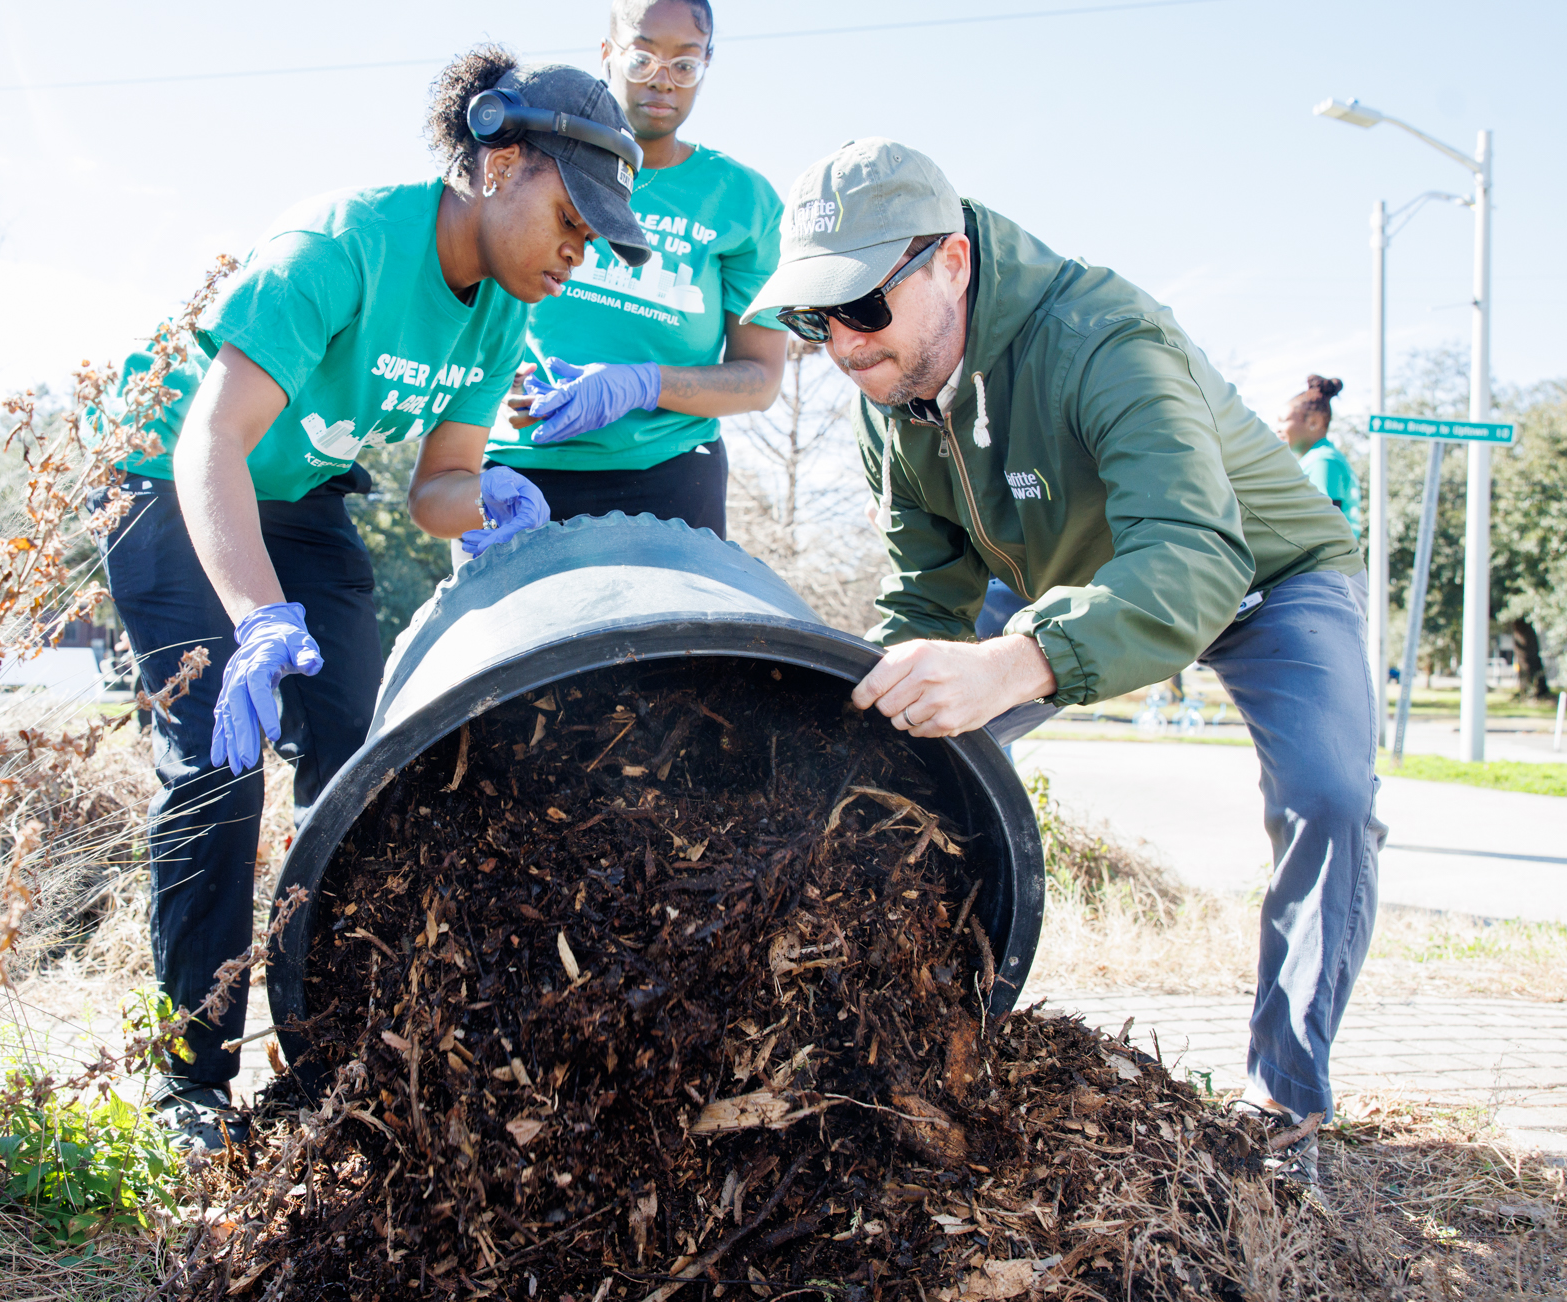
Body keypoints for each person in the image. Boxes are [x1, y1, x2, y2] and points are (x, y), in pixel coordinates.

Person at [742, 140, 1376, 1182]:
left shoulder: (1103, 337)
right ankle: (872, 1027)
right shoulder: (887, 389)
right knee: (888, 752)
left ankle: (1285, 1098)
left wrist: (1014, 663)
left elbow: (1192, 551)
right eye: (811, 320)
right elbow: (922, 589)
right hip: (1056, 583)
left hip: (1258, 574)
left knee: (1326, 798)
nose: (841, 346)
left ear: (947, 261)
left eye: (857, 306)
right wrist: (898, 686)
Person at [93, 49, 652, 1153]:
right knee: (218, 769)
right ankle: (190, 1084)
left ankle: (336, 1050)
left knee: (359, 761)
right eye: (568, 218)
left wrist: (486, 497)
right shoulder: (338, 247)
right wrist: (255, 616)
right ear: (500, 162)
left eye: (594, 238)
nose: (575, 253)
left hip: (300, 497)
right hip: (173, 482)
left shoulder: (500, 309)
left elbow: (435, 485)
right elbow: (213, 439)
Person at [485, 0, 787, 536]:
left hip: (670, 473)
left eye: (685, 65)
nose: (663, 82)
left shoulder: (743, 201)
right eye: (642, 60)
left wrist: (641, 384)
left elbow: (760, 380)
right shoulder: (542, 164)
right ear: (608, 54)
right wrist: (486, 380)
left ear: (707, 64)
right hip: (524, 466)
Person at [1278, 375, 1360, 539]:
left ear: (1314, 422)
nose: (1277, 429)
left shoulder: (1323, 461)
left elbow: (1325, 527)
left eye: (1284, 421)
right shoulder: (1313, 459)